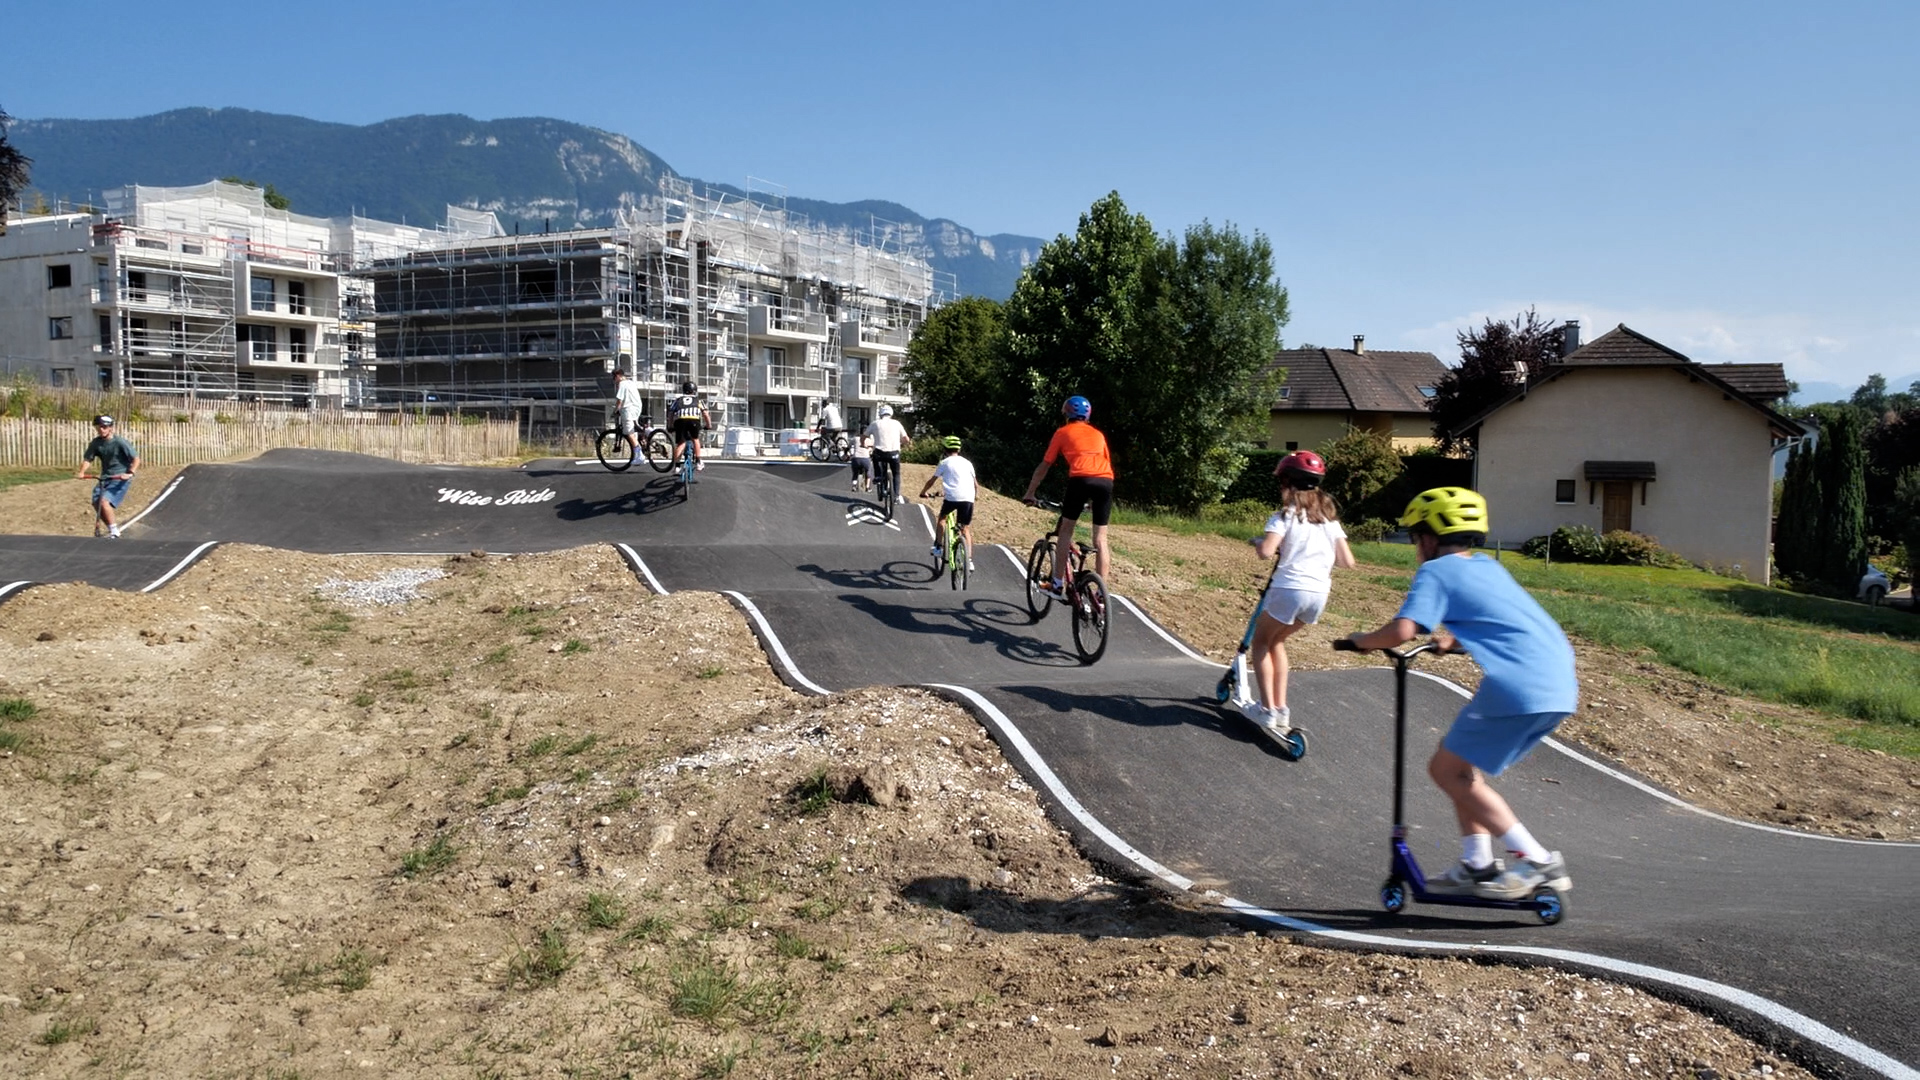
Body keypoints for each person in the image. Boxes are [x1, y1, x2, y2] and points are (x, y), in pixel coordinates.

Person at [1343, 487, 1577, 900]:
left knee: (1445, 770)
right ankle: (1477, 864)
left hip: (1518, 686)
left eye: (1416, 537)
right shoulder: (1490, 567)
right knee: (1460, 765)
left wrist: (1362, 641)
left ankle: (1536, 860)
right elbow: (1500, 621)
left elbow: (1404, 630)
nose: (1416, 546)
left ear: (1429, 539)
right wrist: (1454, 642)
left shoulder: (1436, 572)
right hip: (1557, 682)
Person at [1245, 450, 1356, 736]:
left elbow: (1266, 552)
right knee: (1277, 642)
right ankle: (1281, 708)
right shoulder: (1330, 521)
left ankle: (1267, 710)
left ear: (1287, 482)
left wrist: (1260, 542)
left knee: (1260, 643)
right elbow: (1347, 561)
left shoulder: (1285, 515)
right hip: (1318, 594)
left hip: (1289, 589)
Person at [1020, 394, 1114, 597]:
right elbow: (1100, 465)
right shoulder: (1098, 435)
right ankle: (1101, 594)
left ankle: (1057, 584)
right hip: (1106, 481)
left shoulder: (1062, 432)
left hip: (1080, 480)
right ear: (1087, 416)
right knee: (1101, 539)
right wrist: (1091, 501)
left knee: (1065, 531)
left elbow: (1045, 465)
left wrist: (1030, 492)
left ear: (1067, 414)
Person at [77, 414, 140, 540]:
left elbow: (136, 459)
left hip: (120, 477)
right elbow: (88, 458)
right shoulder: (96, 443)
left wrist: (130, 473)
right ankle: (113, 529)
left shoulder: (120, 442)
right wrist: (82, 472)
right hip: (105, 478)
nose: (101, 429)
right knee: (96, 503)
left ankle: (114, 532)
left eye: (104, 427)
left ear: (110, 428)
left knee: (104, 502)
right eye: (99, 427)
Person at [919, 435, 977, 571]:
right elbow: (976, 484)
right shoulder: (968, 463)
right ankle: (969, 560)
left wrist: (923, 492)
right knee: (965, 528)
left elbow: (932, 481)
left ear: (944, 449)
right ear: (959, 449)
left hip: (952, 498)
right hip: (968, 498)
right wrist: (975, 496)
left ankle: (938, 547)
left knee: (942, 519)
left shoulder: (944, 463)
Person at [865, 404, 910, 503]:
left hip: (880, 453)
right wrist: (902, 443)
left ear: (881, 414)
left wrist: (862, 444)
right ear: (891, 414)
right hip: (894, 453)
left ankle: (878, 477)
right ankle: (897, 496)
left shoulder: (875, 423)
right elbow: (906, 438)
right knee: (896, 474)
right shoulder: (897, 423)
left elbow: (864, 436)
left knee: (876, 458)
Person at [666, 380, 710, 472]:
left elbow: (670, 413)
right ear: (694, 391)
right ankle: (698, 462)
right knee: (695, 439)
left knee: (681, 443)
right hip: (694, 420)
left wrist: (670, 425)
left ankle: (677, 466)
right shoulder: (698, 400)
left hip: (680, 420)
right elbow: (705, 413)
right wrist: (708, 425)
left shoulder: (678, 400)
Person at [611, 368, 645, 460]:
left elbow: (619, 400)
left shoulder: (622, 384)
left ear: (618, 376)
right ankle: (648, 434)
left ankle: (639, 455)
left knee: (629, 432)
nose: (614, 380)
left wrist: (615, 411)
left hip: (628, 409)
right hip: (637, 408)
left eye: (614, 378)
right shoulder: (630, 382)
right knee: (634, 430)